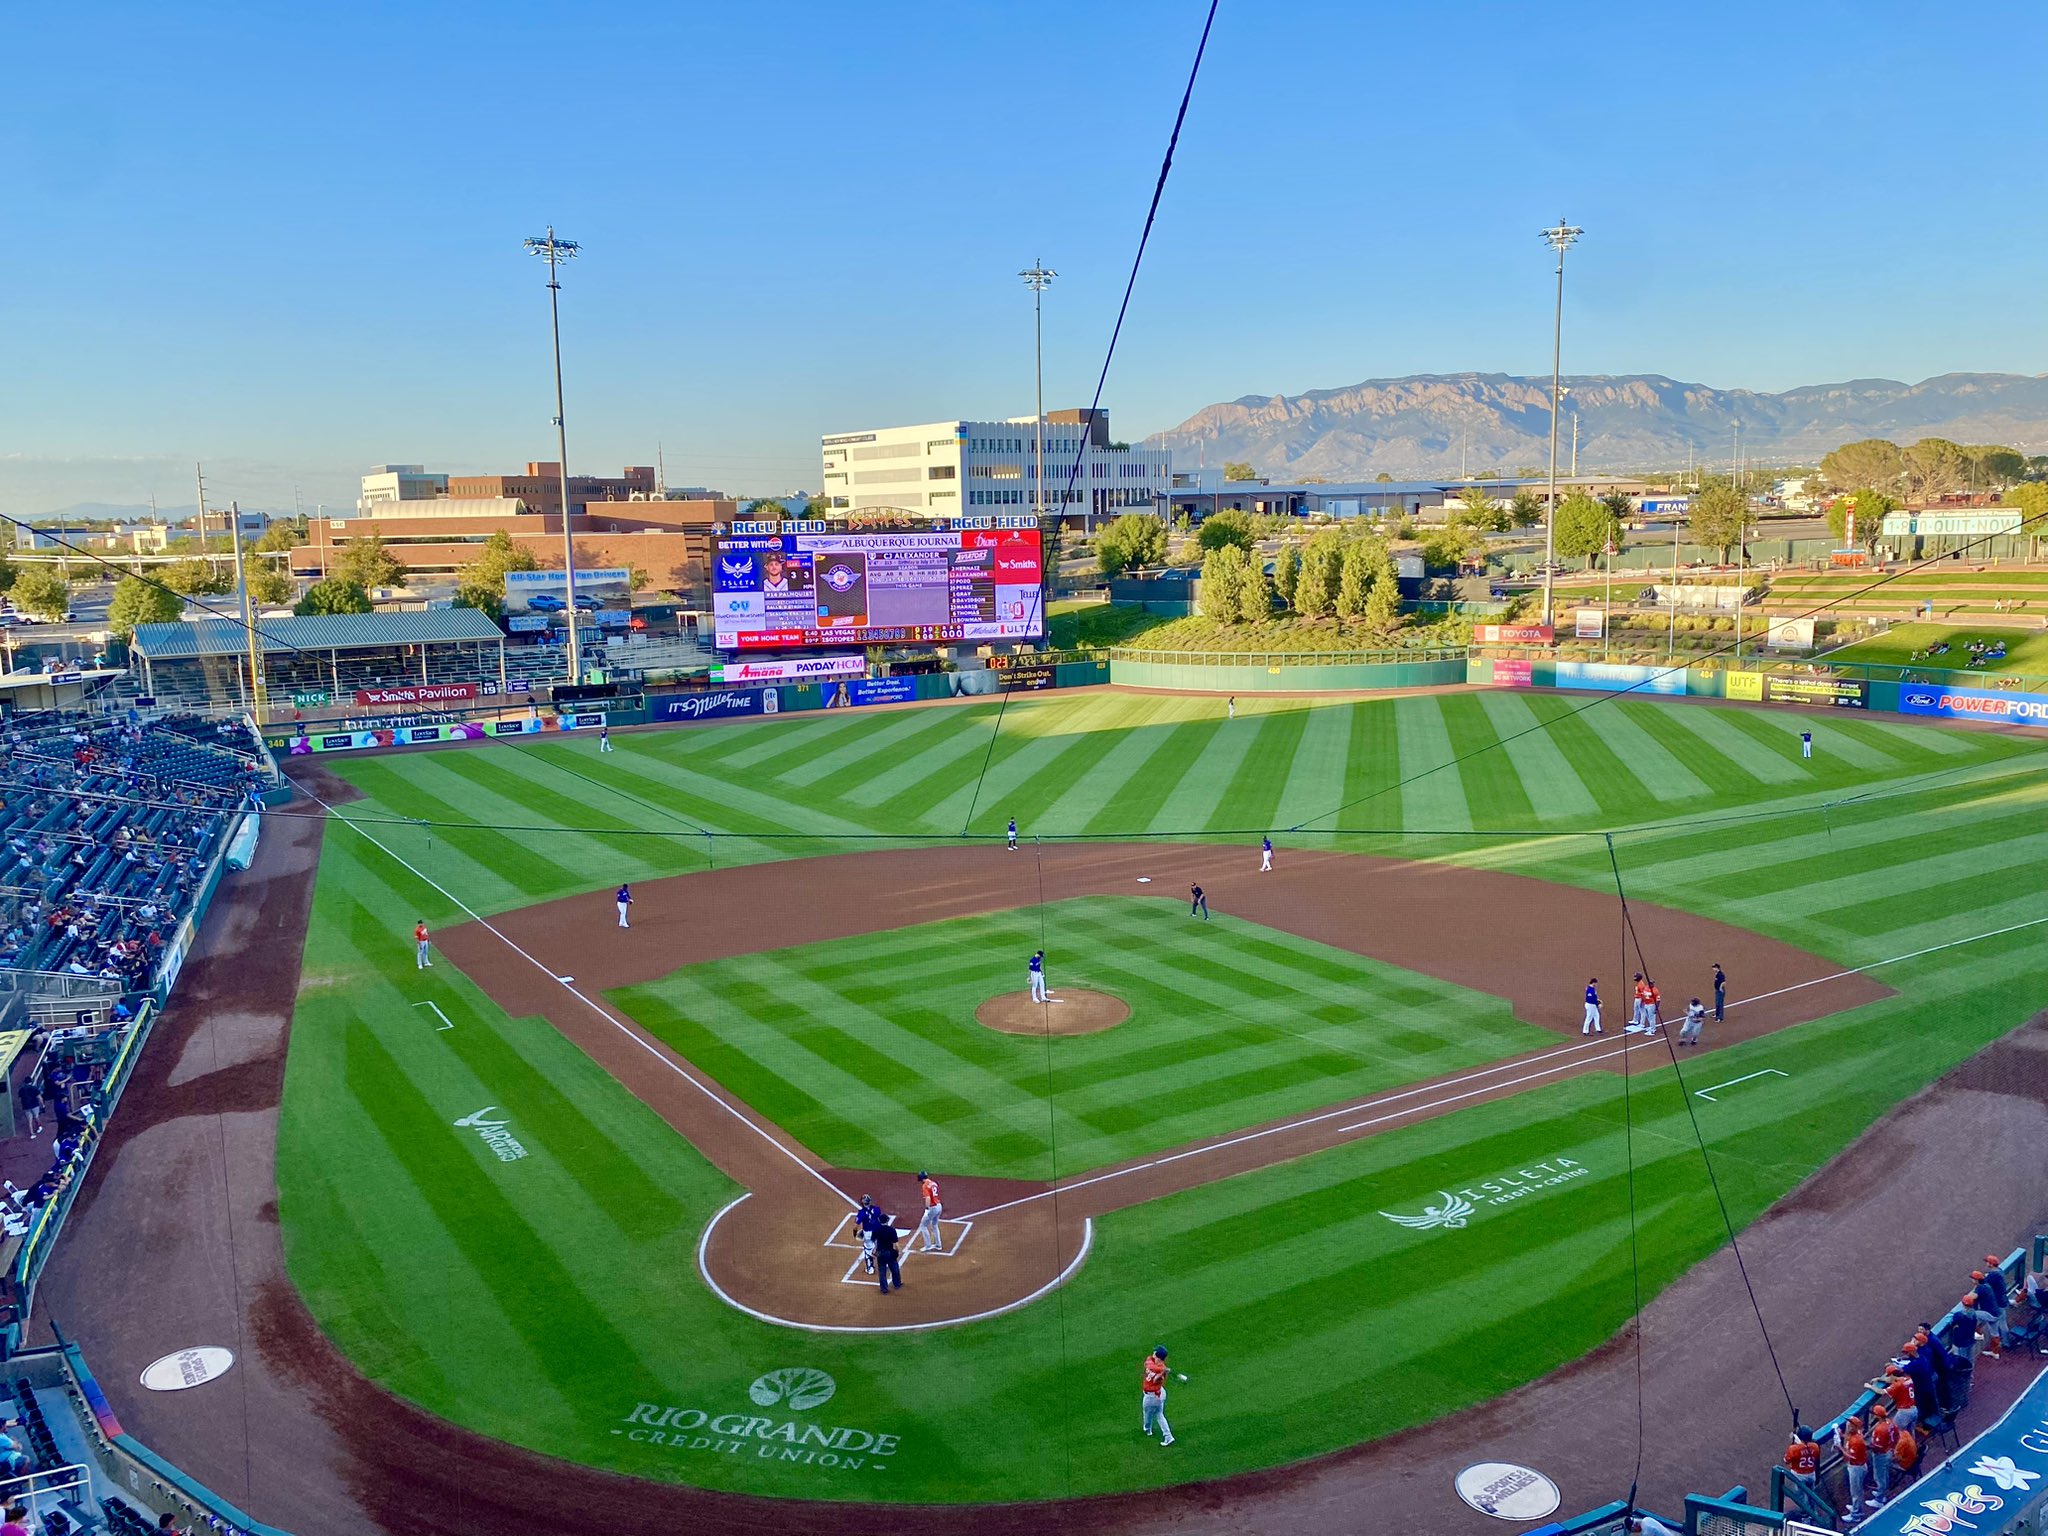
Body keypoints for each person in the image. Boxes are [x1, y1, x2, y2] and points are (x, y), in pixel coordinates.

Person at [1837, 1414, 1870, 1519]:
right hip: (1858, 1466)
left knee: (1856, 1492)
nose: (1848, 1425)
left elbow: (1852, 1457)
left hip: (1857, 1468)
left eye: (1850, 1424)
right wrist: (1841, 1435)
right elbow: (1850, 1438)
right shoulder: (1856, 1435)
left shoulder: (1856, 1441)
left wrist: (1840, 1447)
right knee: (1856, 1490)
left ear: (1855, 1427)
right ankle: (1856, 1508)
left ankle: (1856, 1515)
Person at [1141, 1346, 1175, 1446]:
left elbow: (1156, 1380)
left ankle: (1147, 1430)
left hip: (1152, 1396)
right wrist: (1162, 1370)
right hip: (1158, 1394)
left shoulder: (1162, 1370)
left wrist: (1162, 1373)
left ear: (1157, 1354)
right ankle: (1168, 1436)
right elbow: (1147, 1364)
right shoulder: (1151, 1361)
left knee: (1149, 1413)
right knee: (1159, 1414)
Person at [1867, 1403, 1897, 1507]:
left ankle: (1879, 1500)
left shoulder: (1880, 1429)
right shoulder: (1890, 1422)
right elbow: (1896, 1436)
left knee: (1880, 1477)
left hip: (1881, 1454)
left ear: (1878, 1416)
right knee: (1884, 1475)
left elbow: (1877, 1447)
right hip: (1888, 1451)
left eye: (1875, 1414)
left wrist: (1866, 1446)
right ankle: (1882, 1494)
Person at [853, 1194, 887, 1276]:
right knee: (880, 1247)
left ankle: (870, 1268)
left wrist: (855, 1234)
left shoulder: (861, 1213)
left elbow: (855, 1226)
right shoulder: (877, 1209)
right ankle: (885, 1264)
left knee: (868, 1250)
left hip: (868, 1233)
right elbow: (882, 1219)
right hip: (878, 1231)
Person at [1783, 1426, 1820, 1491]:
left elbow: (1786, 1460)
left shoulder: (1793, 1449)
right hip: (1811, 1474)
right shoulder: (1815, 1446)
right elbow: (1815, 1456)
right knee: (1812, 1493)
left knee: (1800, 1494)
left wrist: (1795, 1444)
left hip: (1799, 1475)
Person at [873, 1215, 902, 1294]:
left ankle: (884, 1289)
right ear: (887, 1221)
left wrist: (875, 1250)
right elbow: (896, 1244)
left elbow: (874, 1241)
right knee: (894, 1268)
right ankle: (897, 1284)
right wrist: (898, 1251)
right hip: (889, 1252)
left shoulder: (877, 1230)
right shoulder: (891, 1230)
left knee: (882, 1271)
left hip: (880, 1253)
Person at [916, 1170, 944, 1252]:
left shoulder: (925, 1186)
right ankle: (938, 1245)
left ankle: (928, 1246)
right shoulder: (933, 1183)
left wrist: (927, 1209)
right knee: (934, 1225)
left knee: (923, 1226)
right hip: (939, 1206)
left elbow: (928, 1198)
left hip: (933, 1208)